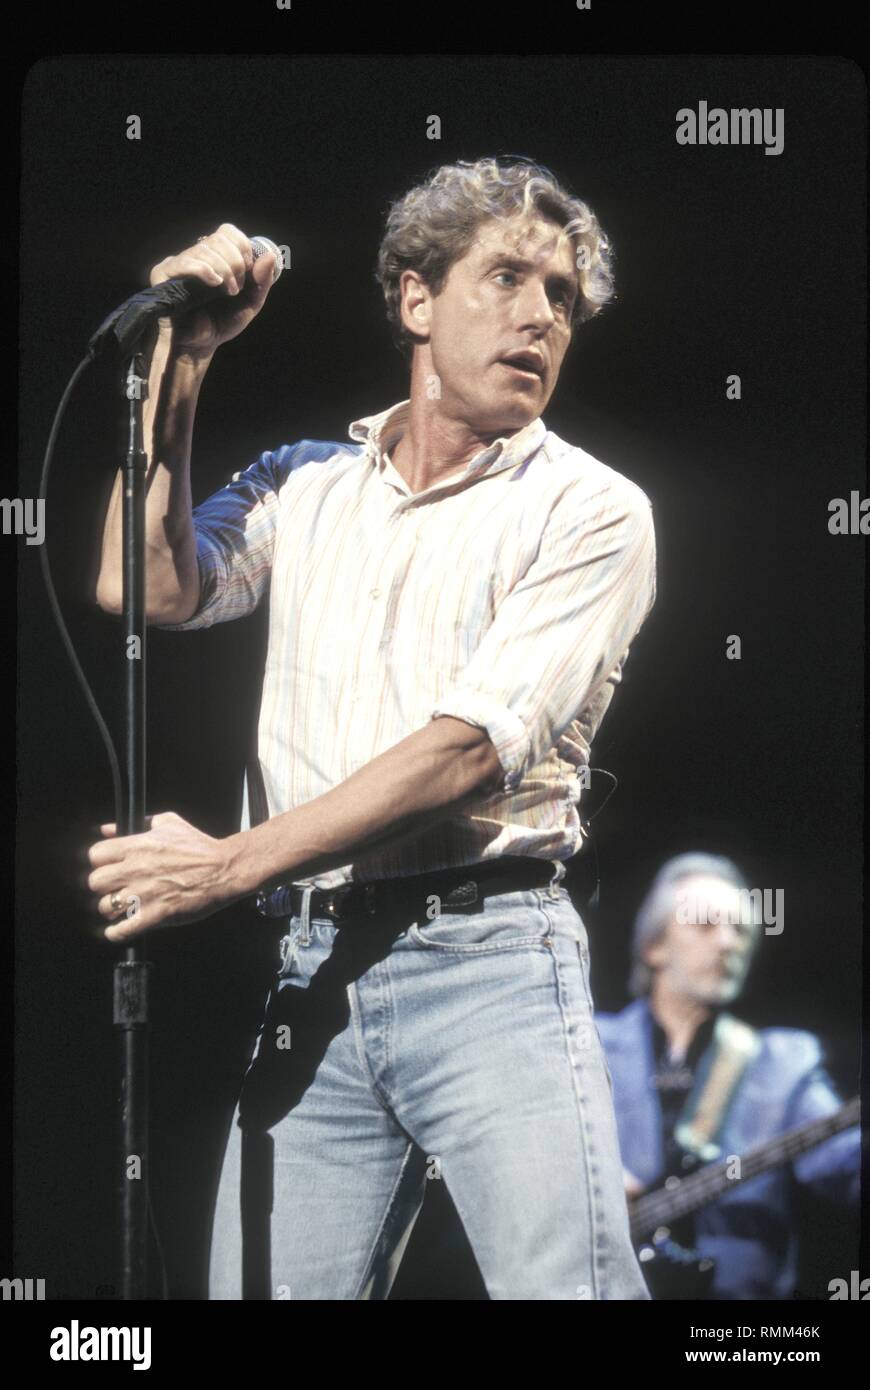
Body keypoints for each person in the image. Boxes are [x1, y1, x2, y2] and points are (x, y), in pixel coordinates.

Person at [87, 156, 657, 1300]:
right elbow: (142, 586)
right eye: (508, 277)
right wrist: (185, 355)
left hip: (495, 959)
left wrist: (226, 863)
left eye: (562, 298)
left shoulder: (593, 508)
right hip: (319, 965)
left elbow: (467, 747)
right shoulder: (305, 484)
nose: (542, 316)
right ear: (414, 299)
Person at [596, 853, 860, 1300]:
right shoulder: (588, 1044)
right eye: (705, 926)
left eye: (740, 930)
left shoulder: (783, 1061)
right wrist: (587, 1181)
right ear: (653, 946)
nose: (727, 944)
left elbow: (845, 1169)